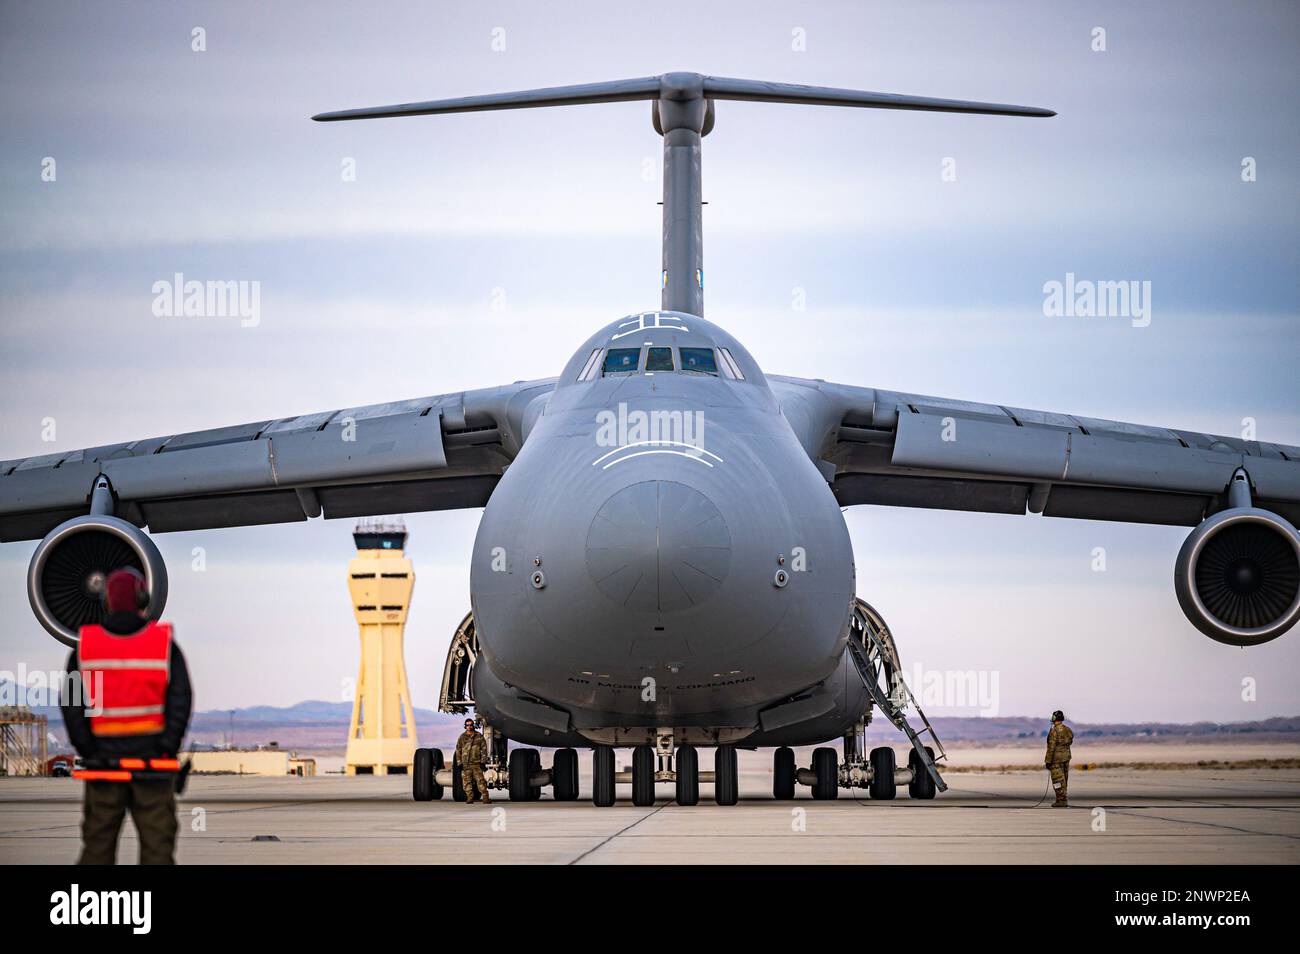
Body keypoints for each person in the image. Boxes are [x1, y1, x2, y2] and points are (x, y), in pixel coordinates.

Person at [60, 567, 193, 863]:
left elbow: (71, 705)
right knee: (158, 848)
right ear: (143, 599)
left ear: (106, 602)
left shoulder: (84, 650)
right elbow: (181, 700)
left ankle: (93, 909)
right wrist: (167, 747)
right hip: (152, 766)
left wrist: (88, 748)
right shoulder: (163, 647)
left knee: (97, 847)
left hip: (104, 765)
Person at [454, 718, 490, 804]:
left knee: (481, 781)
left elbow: (484, 749)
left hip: (476, 764)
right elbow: (458, 750)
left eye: (471, 725)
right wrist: (459, 763)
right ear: (465, 726)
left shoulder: (479, 736)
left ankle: (485, 797)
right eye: (467, 725)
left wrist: (483, 762)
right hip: (466, 764)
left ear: (473, 725)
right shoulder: (462, 737)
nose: (469, 727)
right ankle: (470, 798)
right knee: (466, 783)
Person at [1044, 709, 1073, 808]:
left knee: (1057, 780)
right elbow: (1070, 740)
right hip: (1066, 757)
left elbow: (1051, 747)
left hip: (1056, 759)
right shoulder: (1068, 729)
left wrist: (1048, 761)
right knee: (1064, 779)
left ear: (1054, 718)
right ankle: (1063, 798)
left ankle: (1061, 800)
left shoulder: (1054, 730)